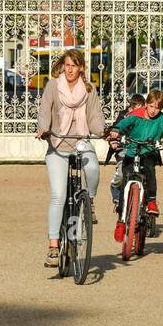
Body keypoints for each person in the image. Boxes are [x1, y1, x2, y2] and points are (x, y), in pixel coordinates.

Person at [35, 48, 105, 269]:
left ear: (81, 67)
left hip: (80, 142)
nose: (70, 69)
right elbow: (45, 110)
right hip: (57, 144)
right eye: (67, 65)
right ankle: (53, 246)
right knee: (58, 195)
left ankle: (90, 201)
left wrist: (102, 131)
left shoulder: (89, 89)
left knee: (93, 167)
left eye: (74, 66)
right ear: (63, 66)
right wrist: (43, 129)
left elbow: (94, 116)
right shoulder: (53, 86)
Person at [112, 89, 163, 241]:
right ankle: (121, 222)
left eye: (157, 108)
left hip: (149, 151)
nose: (154, 110)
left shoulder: (161, 118)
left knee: (150, 172)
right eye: (151, 106)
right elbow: (123, 123)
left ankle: (152, 201)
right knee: (125, 183)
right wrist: (115, 131)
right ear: (146, 104)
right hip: (132, 151)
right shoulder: (137, 114)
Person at [106, 92, 146, 212]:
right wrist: (113, 140)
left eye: (140, 106)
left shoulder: (146, 116)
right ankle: (116, 190)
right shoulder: (123, 115)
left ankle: (147, 201)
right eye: (134, 106)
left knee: (147, 173)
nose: (137, 109)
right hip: (124, 147)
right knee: (121, 173)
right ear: (130, 106)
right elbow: (115, 128)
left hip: (141, 148)